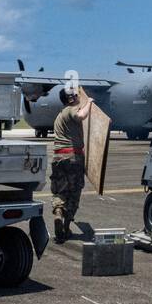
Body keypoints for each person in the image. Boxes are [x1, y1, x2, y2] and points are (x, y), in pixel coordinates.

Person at [50, 87, 91, 242]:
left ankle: (58, 214)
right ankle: (66, 227)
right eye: (75, 95)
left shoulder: (59, 116)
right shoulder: (70, 111)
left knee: (59, 191)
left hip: (58, 158)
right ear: (71, 99)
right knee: (74, 193)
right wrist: (90, 103)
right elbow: (80, 115)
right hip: (73, 157)